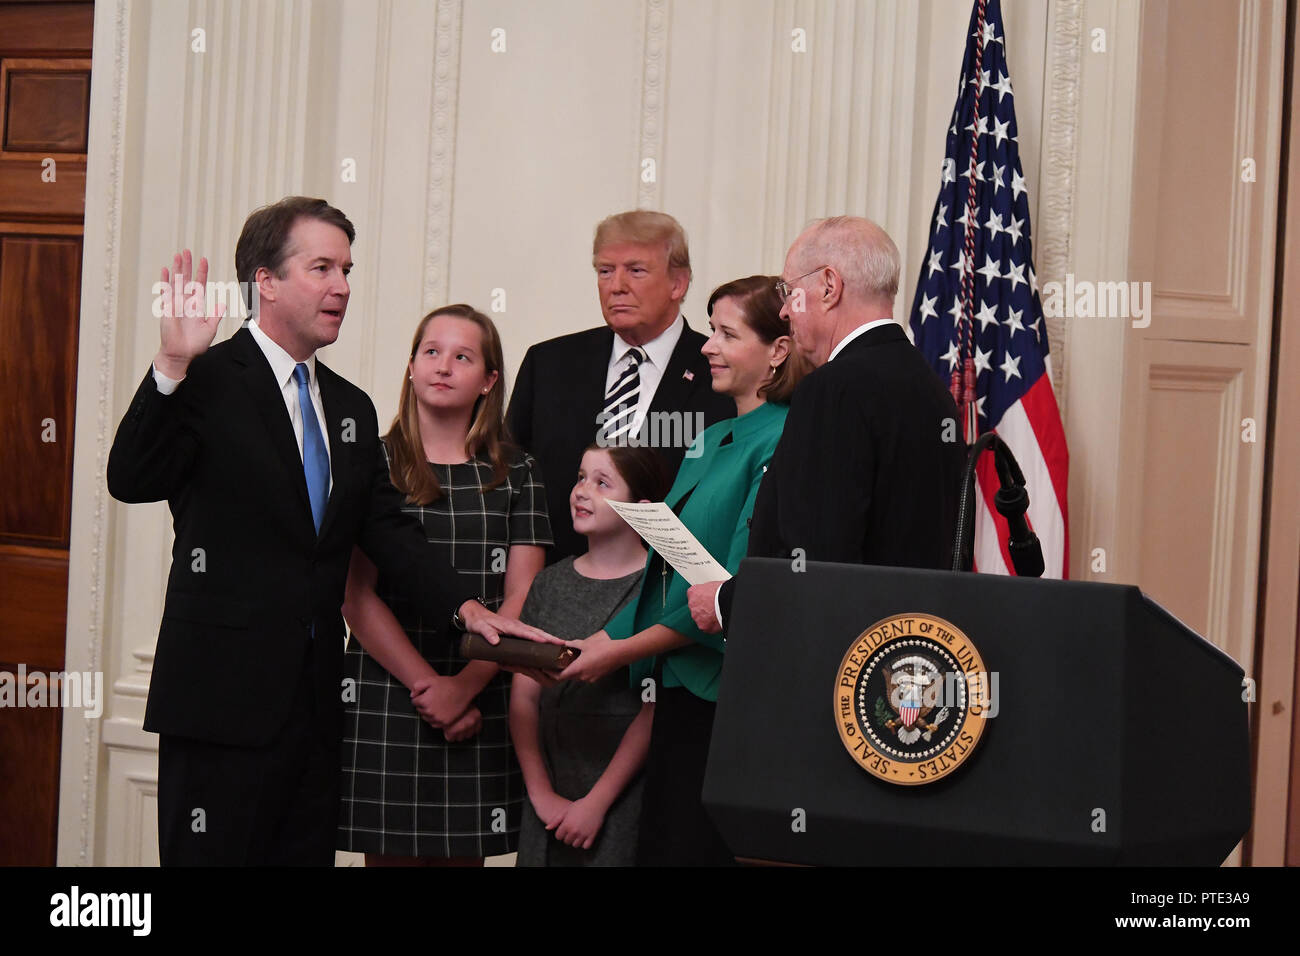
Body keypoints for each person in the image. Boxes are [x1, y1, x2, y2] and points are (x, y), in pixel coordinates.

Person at [106, 197, 549, 866]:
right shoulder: (205, 381)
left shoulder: (348, 404)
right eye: (322, 267)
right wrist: (170, 365)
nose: (342, 285)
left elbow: (390, 534)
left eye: (347, 268)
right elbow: (130, 477)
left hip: (316, 708)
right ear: (267, 280)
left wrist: (468, 612)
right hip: (220, 702)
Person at [559, 276, 811, 865]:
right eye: (712, 329)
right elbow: (674, 568)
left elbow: (732, 587)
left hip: (725, 692)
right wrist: (606, 638)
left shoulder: (787, 438)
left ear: (778, 351)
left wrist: (615, 652)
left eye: (727, 333)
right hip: (676, 685)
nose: (707, 345)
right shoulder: (713, 435)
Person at [338, 305, 551, 865]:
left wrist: (463, 688)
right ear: (410, 366)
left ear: (488, 380)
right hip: (388, 686)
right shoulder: (371, 462)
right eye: (431, 352)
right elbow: (356, 598)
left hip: (483, 684)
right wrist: (428, 686)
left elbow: (521, 598)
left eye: (463, 356)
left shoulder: (518, 471)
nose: (443, 366)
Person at [688, 216, 966, 634]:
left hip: (830, 664)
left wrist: (726, 601)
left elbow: (816, 560)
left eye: (788, 290)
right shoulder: (931, 388)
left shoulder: (833, 389)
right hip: (907, 649)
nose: (783, 309)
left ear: (829, 287)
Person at [507, 210, 735, 563]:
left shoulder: (720, 373)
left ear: (679, 283)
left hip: (671, 593)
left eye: (636, 270)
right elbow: (512, 482)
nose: (616, 286)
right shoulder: (549, 363)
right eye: (605, 271)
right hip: (551, 584)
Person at [510, 444, 668, 867]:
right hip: (549, 793)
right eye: (581, 477)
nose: (582, 491)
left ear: (641, 507)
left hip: (620, 797)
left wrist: (596, 804)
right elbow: (523, 699)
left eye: (602, 483)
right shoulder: (548, 584)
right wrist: (540, 793)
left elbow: (654, 708)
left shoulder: (662, 588)